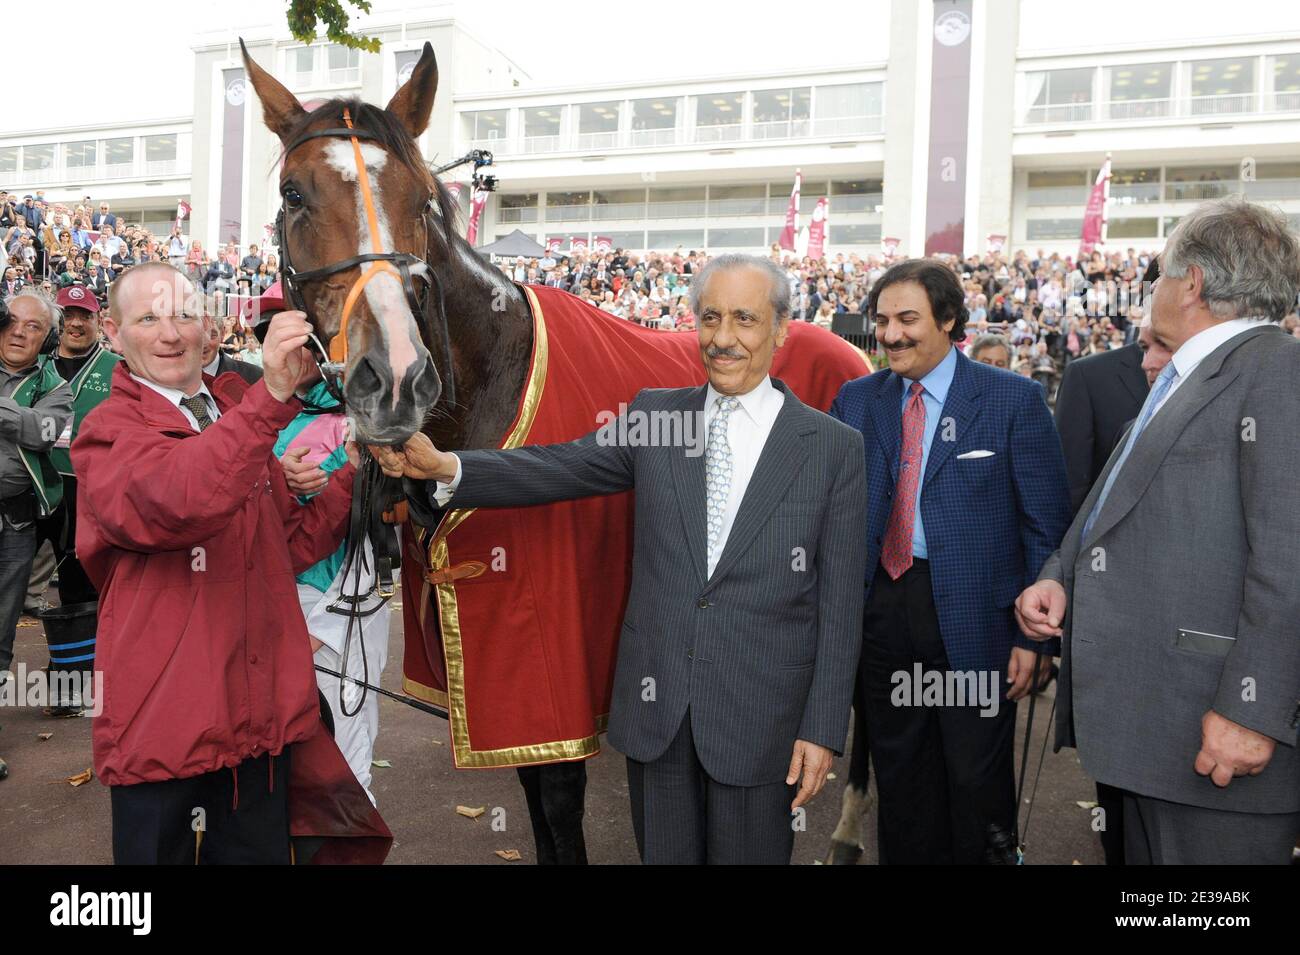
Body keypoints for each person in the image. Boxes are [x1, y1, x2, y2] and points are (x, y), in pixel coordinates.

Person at [374, 252, 867, 865]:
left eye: (745, 319)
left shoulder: (833, 449)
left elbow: (842, 607)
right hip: (659, 724)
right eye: (710, 318)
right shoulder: (657, 417)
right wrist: (448, 467)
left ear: (781, 330)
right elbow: (560, 467)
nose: (723, 338)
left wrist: (822, 730)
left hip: (760, 723)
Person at [1017, 198, 1300, 864]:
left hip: (1217, 743)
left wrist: (1253, 712)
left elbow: (1289, 558)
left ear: (1192, 283)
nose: (1154, 290)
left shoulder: (1278, 370)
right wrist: (1060, 577)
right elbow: (1110, 512)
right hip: (1154, 737)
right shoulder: (1188, 375)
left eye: (1159, 274)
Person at [73, 262, 361, 864]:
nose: (170, 334)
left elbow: (287, 549)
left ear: (209, 326)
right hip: (168, 723)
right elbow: (180, 501)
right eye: (148, 318)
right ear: (113, 332)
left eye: (182, 314)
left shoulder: (232, 415)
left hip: (258, 722)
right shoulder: (108, 429)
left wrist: (355, 472)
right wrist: (270, 402)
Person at [830, 258, 1070, 865]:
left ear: (950, 322)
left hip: (976, 627)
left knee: (976, 789)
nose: (890, 335)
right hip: (883, 616)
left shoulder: (1012, 400)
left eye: (907, 319)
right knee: (902, 784)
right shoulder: (856, 401)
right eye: (881, 321)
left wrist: (1034, 640)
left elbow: (1046, 528)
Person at [30, 286, 121, 714]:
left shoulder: (116, 368)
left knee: (77, 588)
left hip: (85, 488)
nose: (76, 323)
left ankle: (72, 681)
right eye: (69, 314)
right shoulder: (36, 365)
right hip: (32, 484)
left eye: (84, 315)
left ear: (98, 320)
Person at [0, 291, 74, 685]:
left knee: (1, 629)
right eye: (11, 321)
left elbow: (41, 432)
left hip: (14, 523)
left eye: (33, 327)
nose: (18, 333)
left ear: (47, 340)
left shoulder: (57, 388)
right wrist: (19, 416)